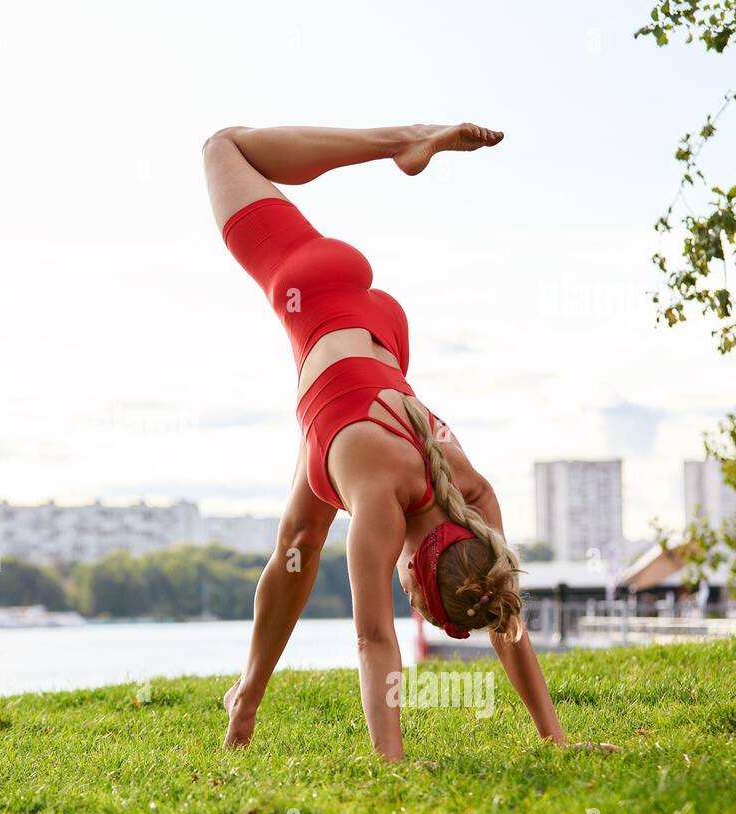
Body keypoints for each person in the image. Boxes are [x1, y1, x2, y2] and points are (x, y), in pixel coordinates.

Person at [203, 123, 572, 762]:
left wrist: (558, 740)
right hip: (315, 293)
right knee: (222, 146)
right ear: (417, 570)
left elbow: (503, 608)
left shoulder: (471, 492)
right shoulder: (378, 502)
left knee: (297, 542)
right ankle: (401, 141)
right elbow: (374, 641)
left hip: (374, 344)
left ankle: (246, 700)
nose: (397, 589)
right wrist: (393, 766)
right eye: (410, 593)